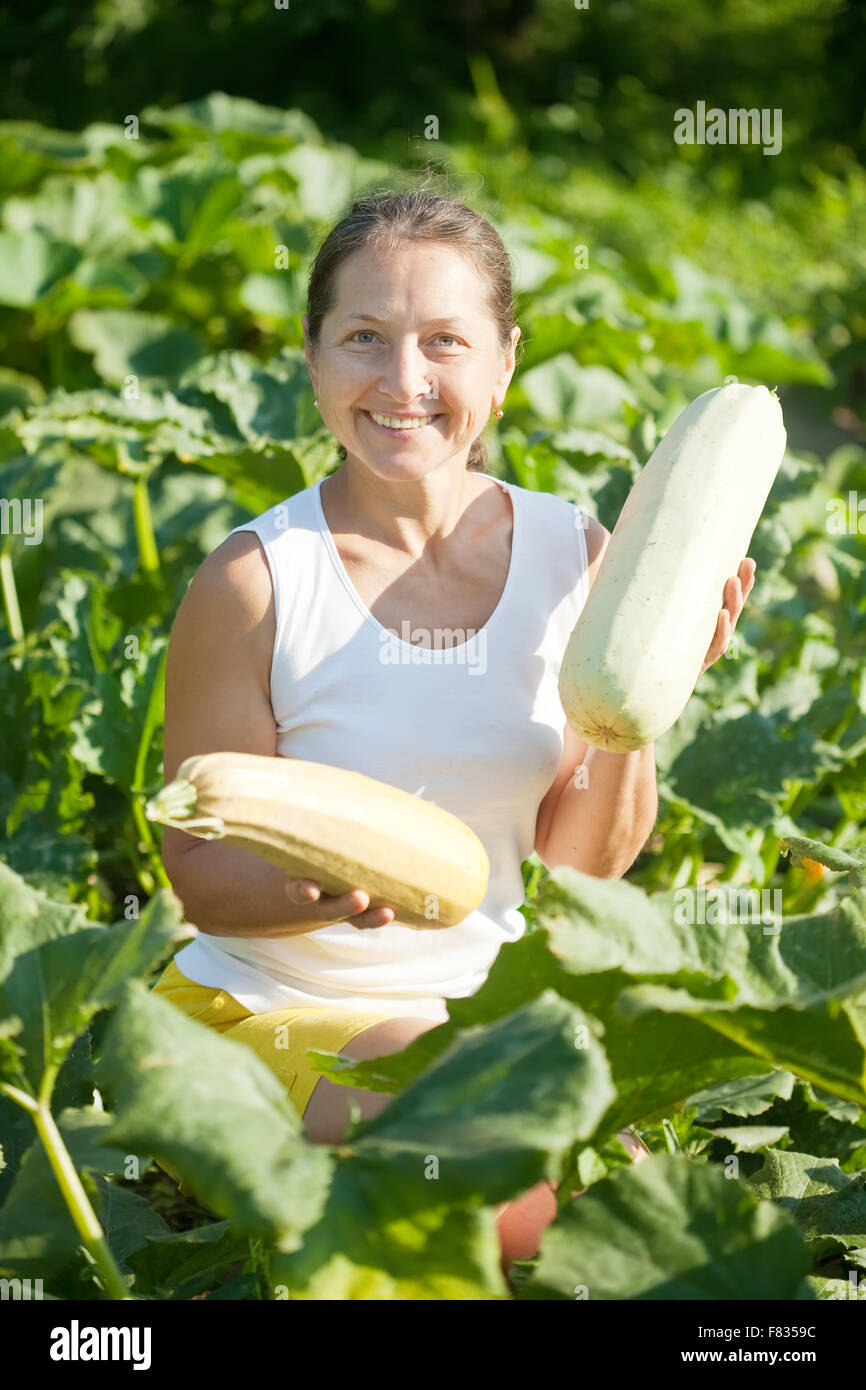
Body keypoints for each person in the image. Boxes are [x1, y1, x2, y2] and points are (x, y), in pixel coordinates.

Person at [151, 186, 755, 1277]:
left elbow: (580, 866)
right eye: (364, 338)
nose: (402, 382)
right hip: (271, 1004)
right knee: (504, 1190)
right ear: (313, 355)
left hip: (478, 1015)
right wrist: (316, 889)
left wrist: (645, 698)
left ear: (504, 362)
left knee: (601, 1196)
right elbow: (194, 871)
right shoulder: (251, 582)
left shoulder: (576, 553)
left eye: (444, 341)